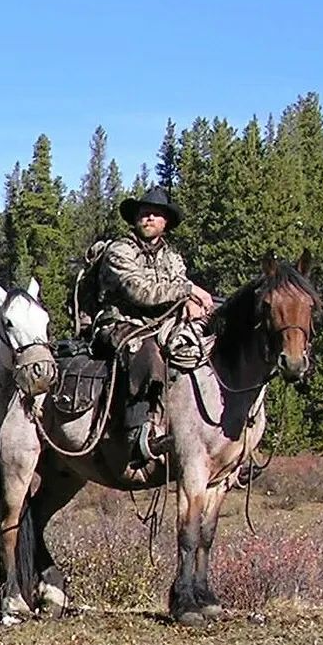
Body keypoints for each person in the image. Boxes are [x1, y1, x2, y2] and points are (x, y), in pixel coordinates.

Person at [91, 186, 215, 471]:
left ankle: (217, 440)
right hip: (121, 324)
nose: (148, 218)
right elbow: (140, 291)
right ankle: (136, 437)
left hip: (161, 325)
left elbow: (177, 289)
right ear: (135, 219)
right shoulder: (119, 251)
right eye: (144, 213)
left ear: (165, 222)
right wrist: (187, 291)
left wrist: (191, 304)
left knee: (203, 349)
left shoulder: (171, 257)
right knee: (146, 357)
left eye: (155, 215)